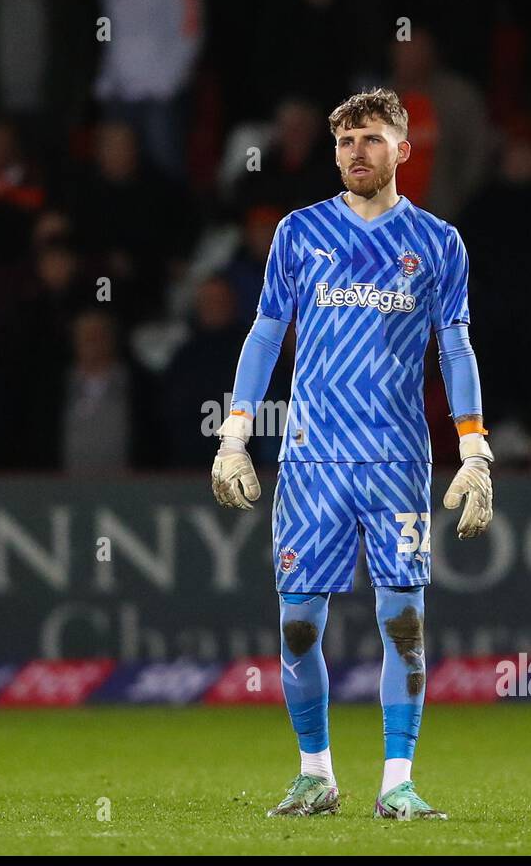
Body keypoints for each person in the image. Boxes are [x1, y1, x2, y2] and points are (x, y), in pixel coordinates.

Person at [210, 88, 492, 820]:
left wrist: (475, 450)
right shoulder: (300, 233)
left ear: (403, 149)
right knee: (298, 624)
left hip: (398, 461)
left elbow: (455, 346)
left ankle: (397, 780)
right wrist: (235, 435)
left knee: (404, 622)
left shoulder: (437, 243)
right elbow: (266, 334)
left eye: (369, 139)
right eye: (344, 142)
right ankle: (315, 774)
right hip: (311, 462)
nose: (354, 153)